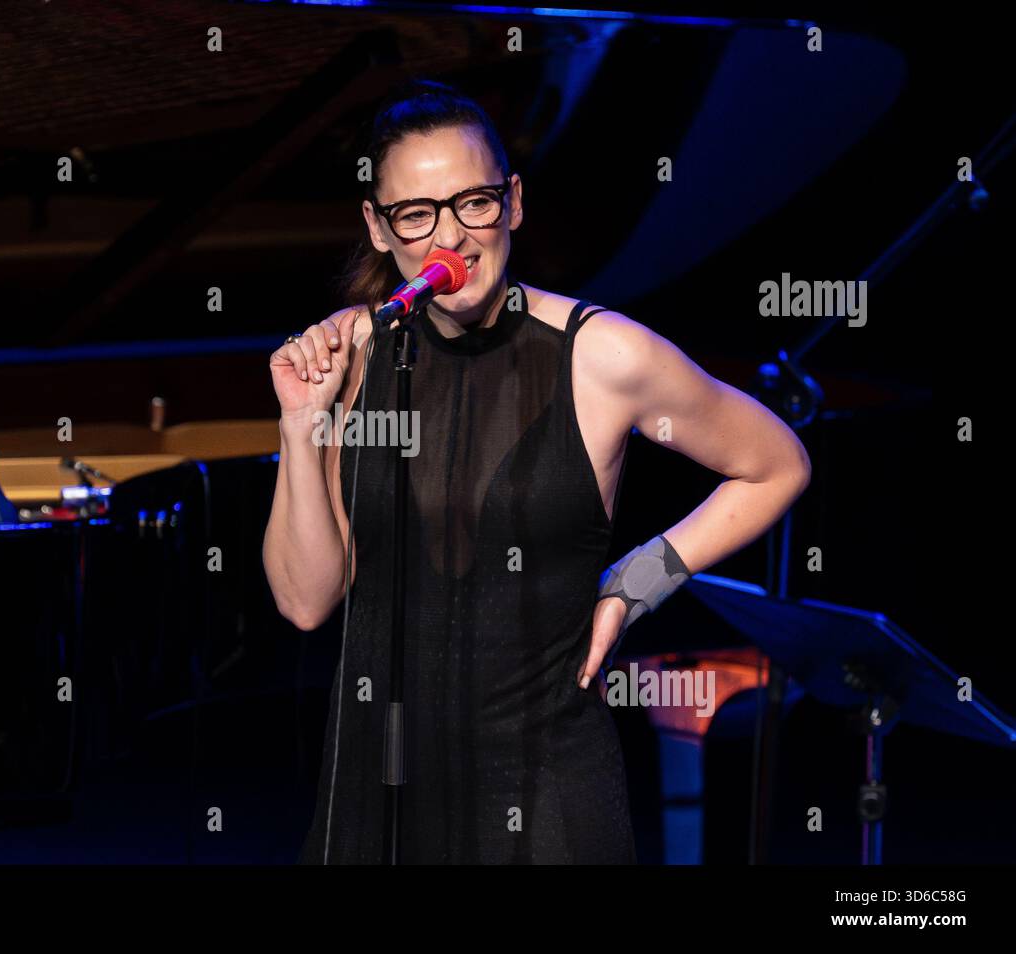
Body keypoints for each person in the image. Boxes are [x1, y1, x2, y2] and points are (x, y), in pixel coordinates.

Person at [262, 79, 811, 864]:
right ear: (379, 231)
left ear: (512, 203)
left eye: (474, 202)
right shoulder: (354, 355)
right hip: (376, 801)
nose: (451, 238)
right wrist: (299, 423)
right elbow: (307, 600)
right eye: (417, 215)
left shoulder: (602, 354)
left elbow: (776, 465)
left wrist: (634, 581)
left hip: (547, 797)